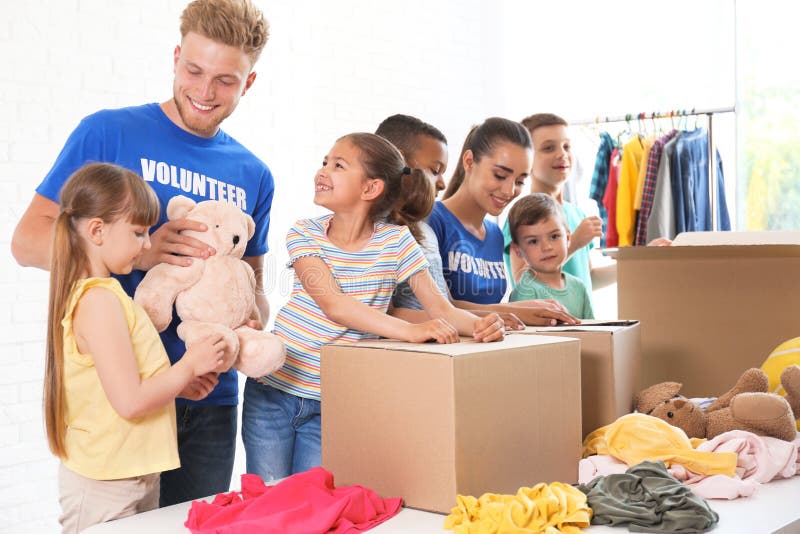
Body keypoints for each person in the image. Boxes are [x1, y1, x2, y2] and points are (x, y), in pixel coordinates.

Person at [11, 0, 273, 506]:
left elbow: (255, 288)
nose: (204, 91)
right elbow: (26, 242)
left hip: (209, 396)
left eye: (225, 80)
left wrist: (250, 316)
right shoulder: (108, 132)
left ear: (249, 83)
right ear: (176, 57)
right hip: (123, 396)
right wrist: (146, 253)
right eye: (194, 70)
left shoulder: (255, 173)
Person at [242, 132, 506, 481]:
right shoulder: (304, 233)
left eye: (338, 165)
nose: (322, 171)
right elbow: (335, 304)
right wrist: (411, 330)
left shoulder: (397, 243)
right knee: (264, 499)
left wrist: (481, 324)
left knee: (308, 502)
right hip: (272, 391)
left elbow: (441, 309)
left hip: (334, 403)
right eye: (324, 162)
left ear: (370, 189)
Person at [46, 163, 228, 532]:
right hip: (107, 483)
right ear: (97, 230)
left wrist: (179, 383)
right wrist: (189, 365)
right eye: (139, 232)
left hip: (132, 471)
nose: (148, 244)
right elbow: (129, 401)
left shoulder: (112, 296)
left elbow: (128, 381)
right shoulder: (98, 301)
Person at [375, 114, 524, 330]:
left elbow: (444, 306)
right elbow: (383, 312)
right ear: (398, 161)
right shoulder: (379, 233)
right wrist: (473, 323)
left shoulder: (423, 232)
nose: (442, 183)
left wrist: (486, 318)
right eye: (435, 171)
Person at [433, 117, 578, 326]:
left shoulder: (495, 235)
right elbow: (437, 307)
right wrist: (517, 310)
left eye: (520, 181)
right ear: (469, 162)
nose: (510, 191)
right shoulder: (433, 222)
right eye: (500, 175)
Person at [503, 113, 604, 299]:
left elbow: (589, 278)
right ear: (527, 159)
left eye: (567, 147)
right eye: (549, 148)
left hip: (586, 325)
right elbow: (523, 282)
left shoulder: (576, 213)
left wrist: (640, 261)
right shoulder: (520, 216)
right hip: (547, 327)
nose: (562, 154)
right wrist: (574, 243)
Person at [507, 193, 594, 319]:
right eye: (533, 241)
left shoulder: (579, 287)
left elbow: (594, 332)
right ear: (517, 249)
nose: (546, 247)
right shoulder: (525, 292)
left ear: (568, 238)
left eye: (554, 236)